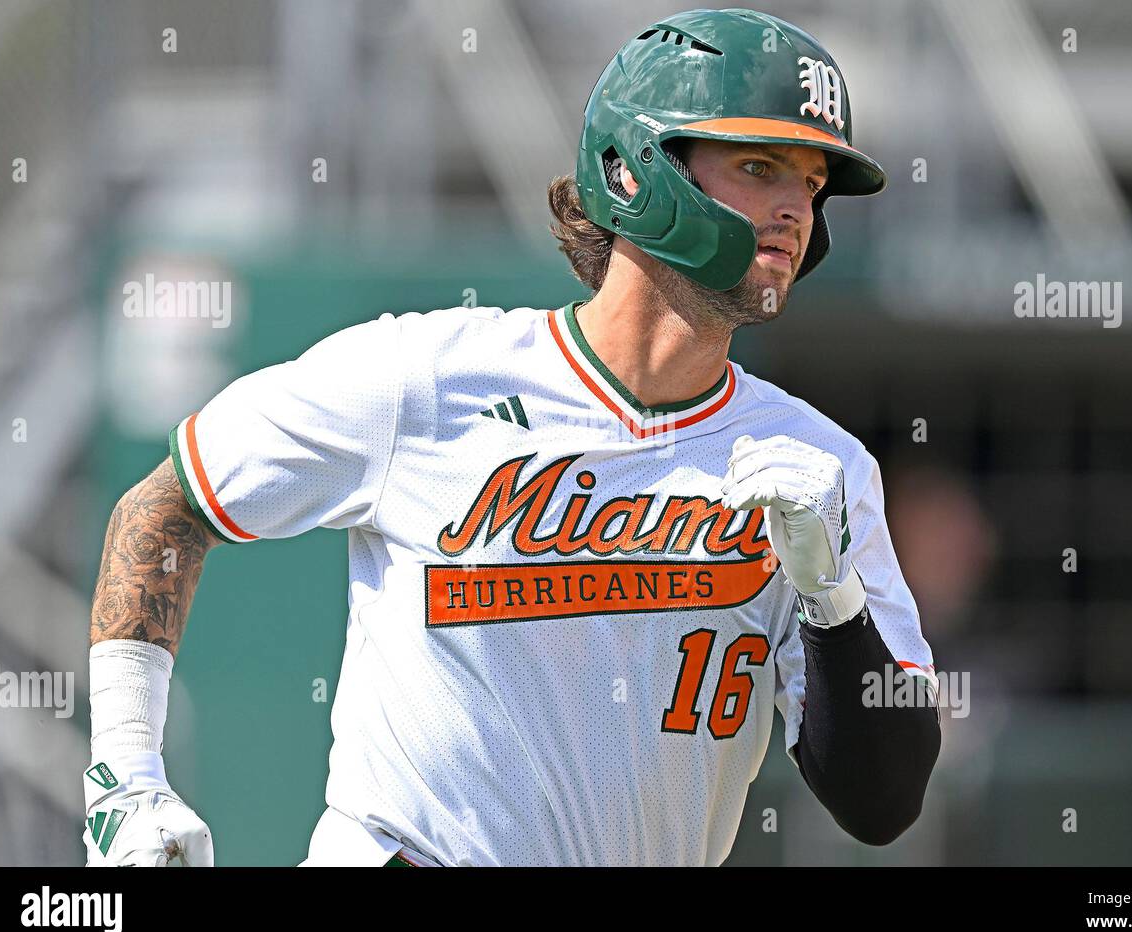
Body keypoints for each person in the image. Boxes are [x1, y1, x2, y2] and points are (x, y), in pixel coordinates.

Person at [83, 8, 940, 867]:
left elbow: (883, 803)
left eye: (813, 183)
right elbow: (169, 505)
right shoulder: (424, 375)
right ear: (634, 171)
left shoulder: (818, 470)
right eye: (760, 167)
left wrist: (833, 599)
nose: (796, 209)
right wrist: (123, 777)